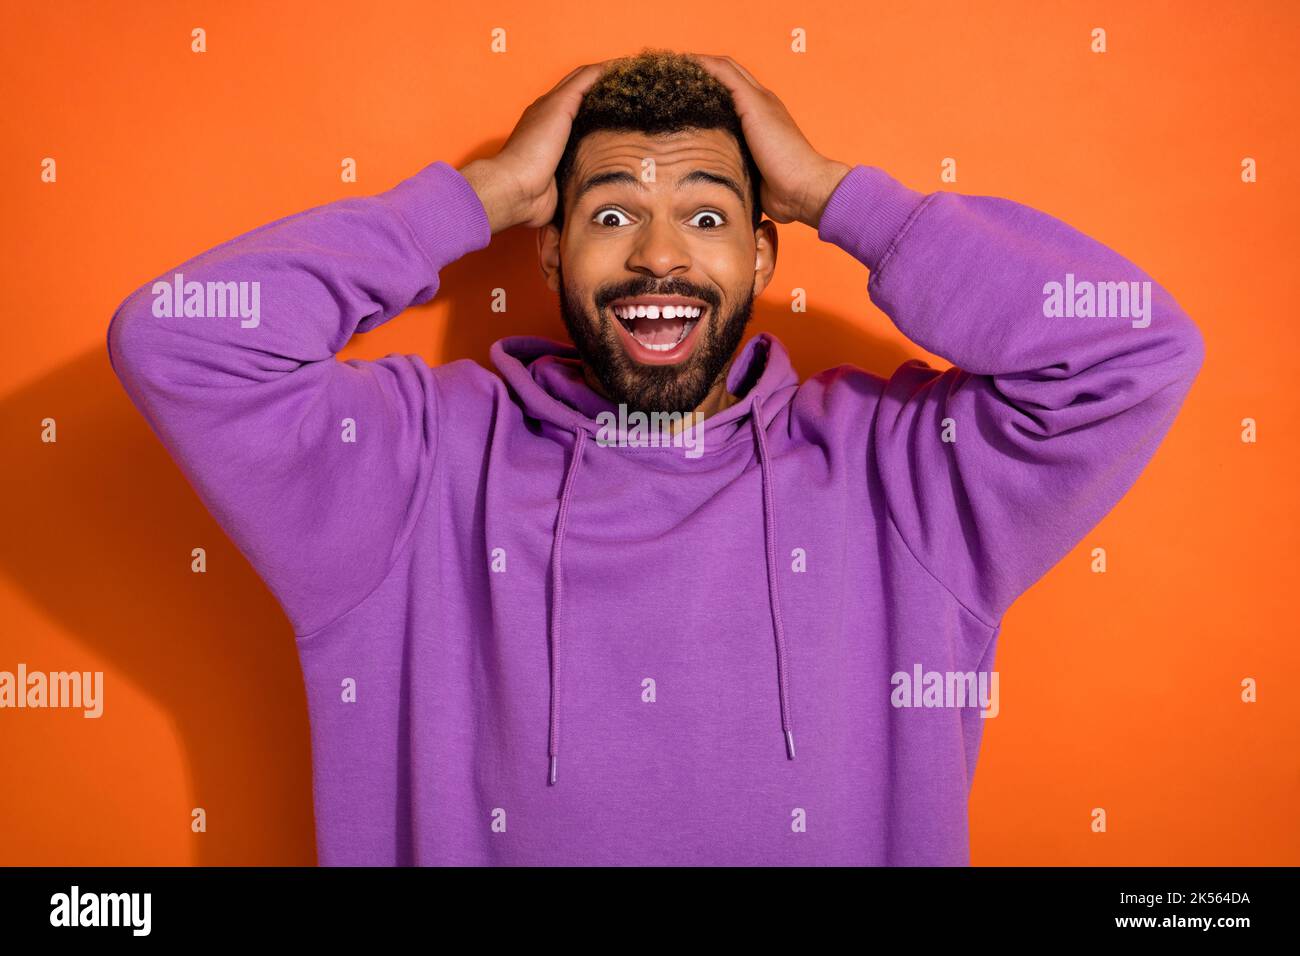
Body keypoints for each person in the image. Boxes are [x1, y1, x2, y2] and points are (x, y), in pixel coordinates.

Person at [106, 50, 1204, 865]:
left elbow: (1134, 350)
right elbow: (179, 340)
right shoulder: (411, 469)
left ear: (768, 251)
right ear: (548, 249)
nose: (660, 254)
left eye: (709, 217)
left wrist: (836, 192)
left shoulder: (901, 475)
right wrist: (472, 195)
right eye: (612, 212)